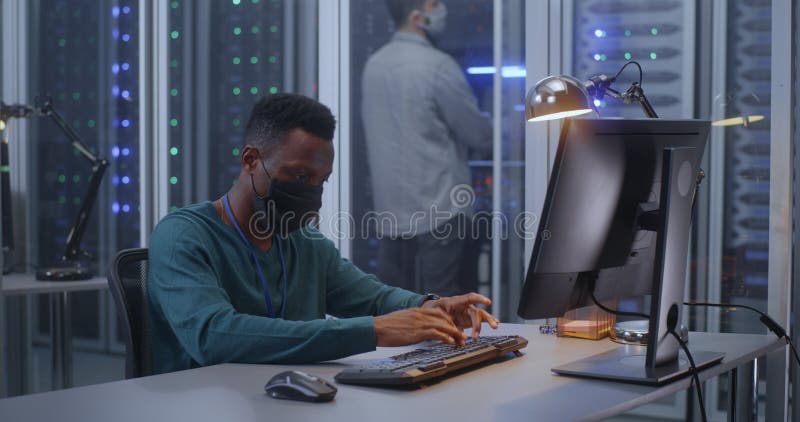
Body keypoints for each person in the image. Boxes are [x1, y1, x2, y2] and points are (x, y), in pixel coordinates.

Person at [147, 94, 499, 374]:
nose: (311, 193)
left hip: (283, 403)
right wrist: (374, 331)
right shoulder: (183, 236)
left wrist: (429, 308)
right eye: (300, 177)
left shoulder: (303, 241)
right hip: (201, 406)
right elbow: (213, 336)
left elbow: (373, 298)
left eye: (321, 181)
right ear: (251, 160)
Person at [361, 0, 492, 297]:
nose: (442, 8)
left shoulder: (374, 65)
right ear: (418, 17)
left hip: (391, 213)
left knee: (396, 309)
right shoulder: (437, 66)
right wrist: (510, 126)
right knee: (449, 306)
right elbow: (479, 135)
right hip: (441, 210)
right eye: (434, 3)